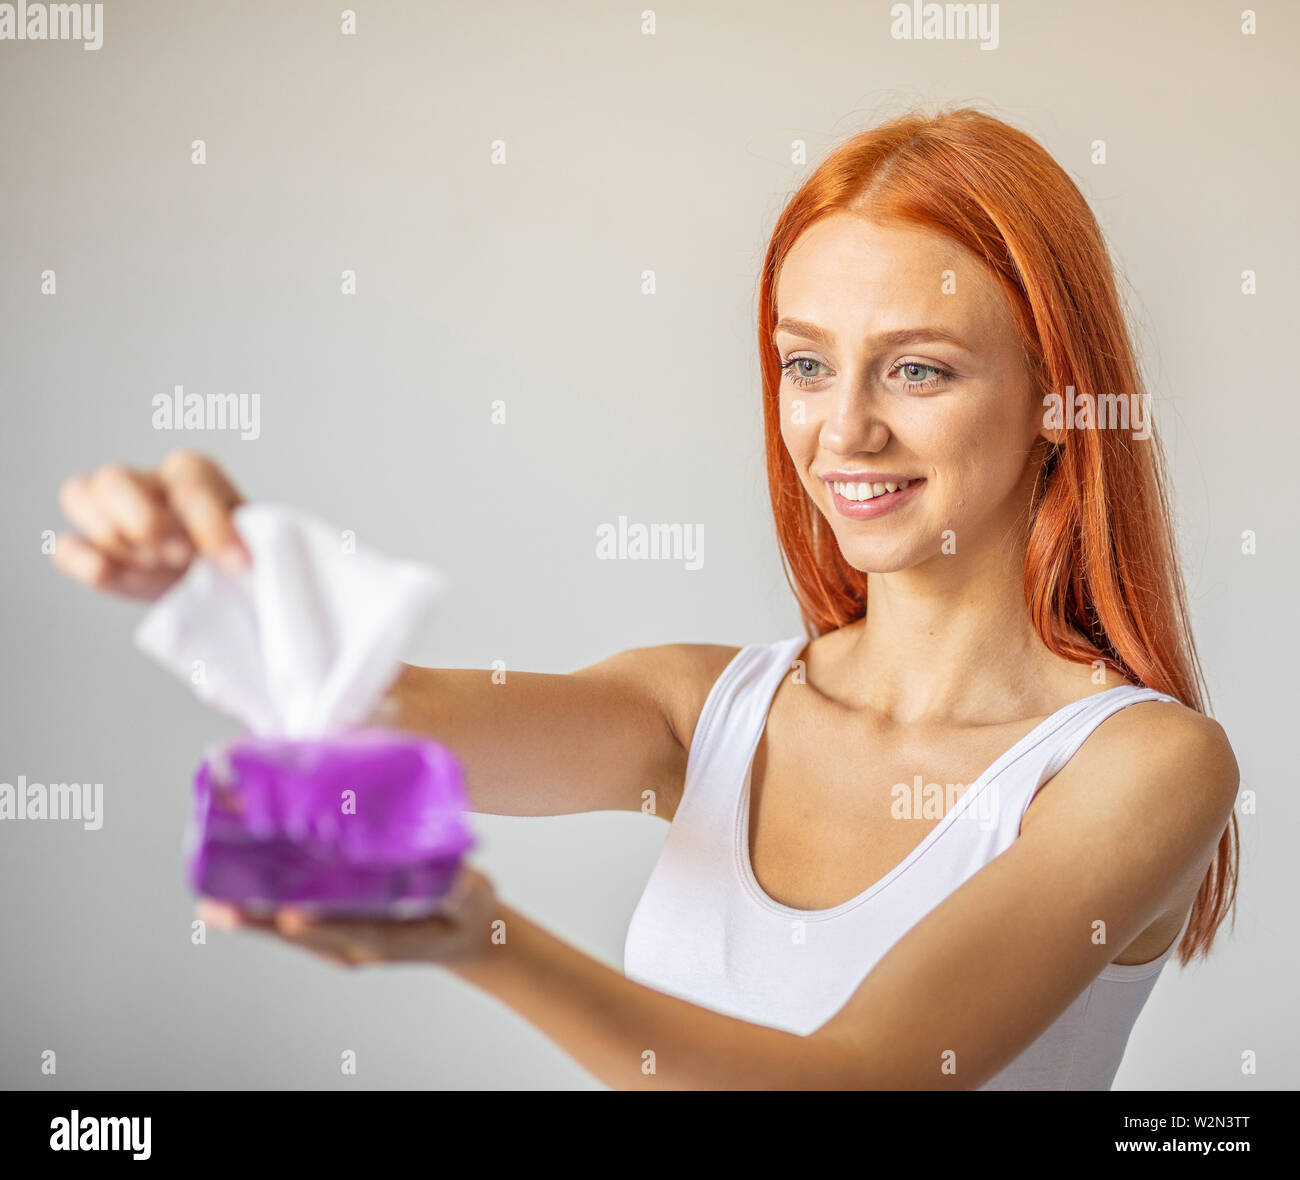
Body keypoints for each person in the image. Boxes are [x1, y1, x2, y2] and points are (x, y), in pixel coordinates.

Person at [50, 107, 1240, 1090]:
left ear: (1056, 398)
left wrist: (486, 942)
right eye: (806, 362)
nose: (844, 428)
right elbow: (375, 716)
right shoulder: (694, 708)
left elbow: (872, 1078)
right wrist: (220, 575)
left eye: (918, 366)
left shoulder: (1141, 766)